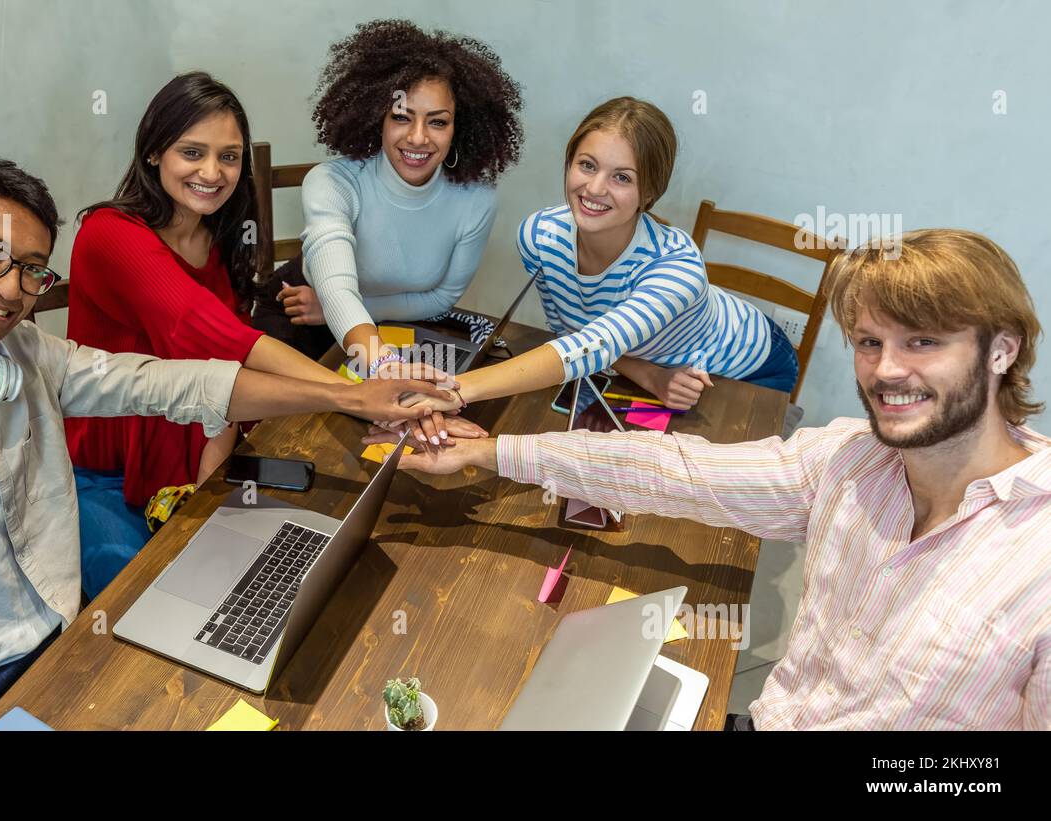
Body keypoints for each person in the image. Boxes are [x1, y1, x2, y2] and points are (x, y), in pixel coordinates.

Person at [0, 154, 452, 730]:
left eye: (31, 268)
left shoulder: (24, 358)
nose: (12, 288)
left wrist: (347, 395)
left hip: (58, 649)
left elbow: (179, 385)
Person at [376, 229, 1051, 730]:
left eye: (923, 342)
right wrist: (490, 452)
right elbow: (675, 471)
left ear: (1001, 348)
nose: (887, 370)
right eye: (871, 342)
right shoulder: (850, 459)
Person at [65, 73, 481, 599]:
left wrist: (373, 396)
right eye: (192, 152)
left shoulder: (211, 234)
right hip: (107, 474)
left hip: (200, 443)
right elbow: (215, 337)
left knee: (299, 572)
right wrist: (362, 392)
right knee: (151, 600)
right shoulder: (109, 234)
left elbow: (219, 378)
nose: (213, 173)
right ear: (153, 152)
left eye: (230, 157)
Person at [403, 97, 798, 421]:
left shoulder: (676, 266)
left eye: (621, 177)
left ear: (649, 192)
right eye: (587, 165)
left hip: (749, 368)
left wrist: (457, 389)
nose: (594, 188)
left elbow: (594, 346)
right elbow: (574, 334)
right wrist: (650, 376)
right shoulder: (539, 237)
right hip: (662, 370)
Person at [252, 18, 524, 414]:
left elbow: (442, 296)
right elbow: (337, 287)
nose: (417, 137)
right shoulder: (331, 182)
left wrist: (335, 312)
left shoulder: (476, 202)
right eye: (401, 116)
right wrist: (380, 362)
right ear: (376, 117)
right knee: (287, 429)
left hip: (372, 323)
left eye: (438, 121)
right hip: (299, 314)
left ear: (459, 128)